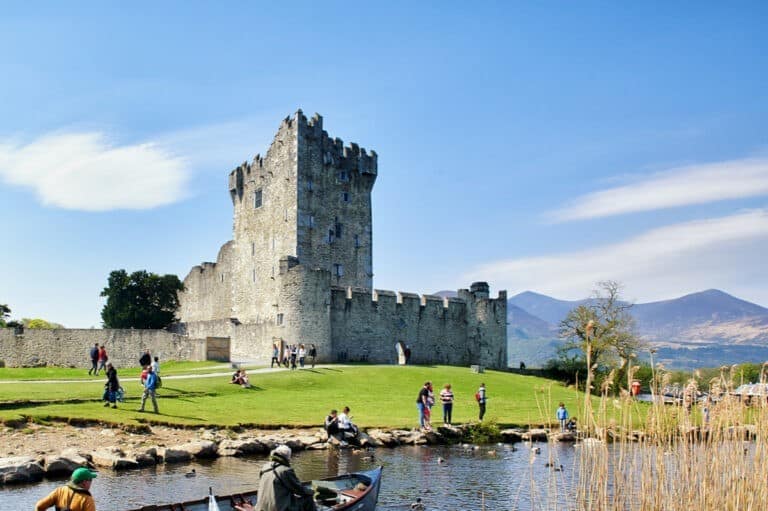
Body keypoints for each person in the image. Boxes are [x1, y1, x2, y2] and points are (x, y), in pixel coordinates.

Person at [234, 445, 315, 511]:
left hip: (261, 508)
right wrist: (313, 492)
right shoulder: (286, 470)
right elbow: (299, 490)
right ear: (287, 457)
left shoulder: (265, 467)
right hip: (279, 509)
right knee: (308, 498)